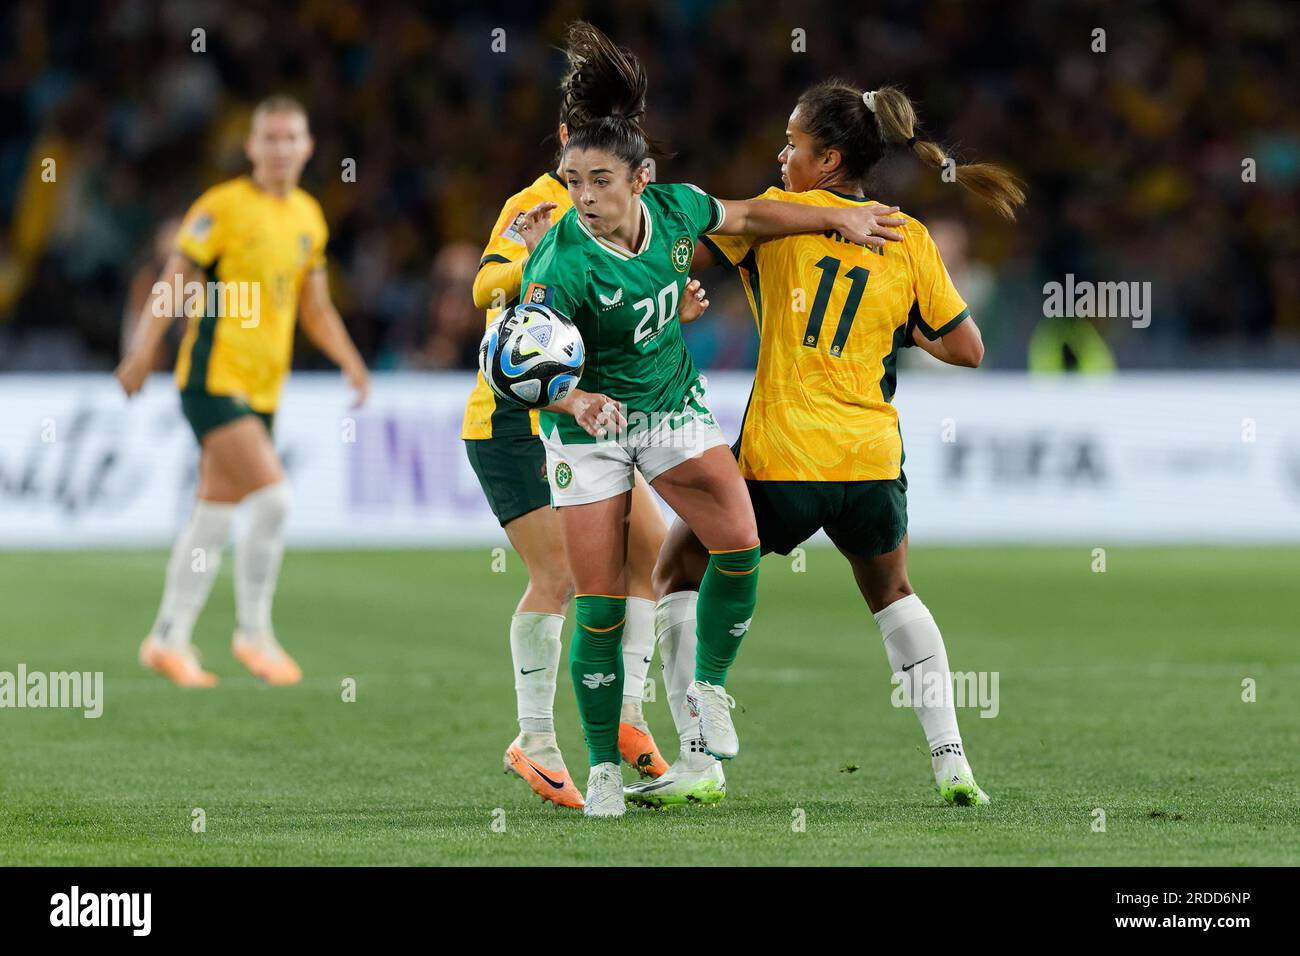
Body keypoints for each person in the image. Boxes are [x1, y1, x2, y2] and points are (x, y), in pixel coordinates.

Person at [518, 41, 908, 816]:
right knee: (597, 603)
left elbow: (755, 214)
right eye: (573, 183)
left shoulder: (679, 211)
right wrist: (574, 401)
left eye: (600, 181)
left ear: (642, 180)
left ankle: (708, 691)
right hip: (592, 429)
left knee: (736, 542)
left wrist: (842, 217)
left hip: (668, 408)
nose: (584, 197)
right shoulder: (558, 261)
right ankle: (603, 769)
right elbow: (515, 363)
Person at [631, 81, 1024, 808]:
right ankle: (953, 763)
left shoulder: (777, 221)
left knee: (677, 568)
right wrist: (892, 318)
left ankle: (697, 760)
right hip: (872, 461)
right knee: (894, 595)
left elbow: (680, 250)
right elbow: (967, 347)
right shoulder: (908, 236)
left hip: (786, 455)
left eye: (794, 144)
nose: (783, 156)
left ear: (829, 158)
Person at [464, 22, 690, 810]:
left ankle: (627, 721)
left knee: (650, 561)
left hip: (596, 420)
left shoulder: (635, 208)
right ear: (568, 140)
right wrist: (524, 256)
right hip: (517, 420)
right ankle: (535, 742)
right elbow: (485, 293)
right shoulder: (539, 201)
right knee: (559, 577)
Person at [115, 96, 370, 688]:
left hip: (263, 389)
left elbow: (316, 306)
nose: (281, 148)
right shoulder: (221, 207)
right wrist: (142, 350)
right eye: (270, 138)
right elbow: (173, 282)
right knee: (275, 499)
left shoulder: (309, 217)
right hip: (212, 380)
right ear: (252, 147)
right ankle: (253, 634)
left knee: (212, 515)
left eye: (291, 138)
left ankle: (167, 638)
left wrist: (351, 361)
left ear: (307, 148)